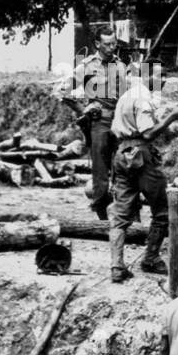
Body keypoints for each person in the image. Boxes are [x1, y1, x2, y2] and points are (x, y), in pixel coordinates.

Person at [107, 72, 178, 282]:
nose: (162, 83)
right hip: (140, 154)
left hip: (122, 153)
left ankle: (116, 266)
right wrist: (172, 117)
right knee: (162, 211)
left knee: (120, 214)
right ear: (149, 77)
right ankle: (150, 258)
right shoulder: (142, 98)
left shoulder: (127, 95)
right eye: (159, 78)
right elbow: (148, 133)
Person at [73, 27, 125, 219]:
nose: (112, 48)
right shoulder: (86, 66)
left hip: (120, 122)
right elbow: (63, 91)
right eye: (107, 44)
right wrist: (82, 110)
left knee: (123, 166)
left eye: (114, 43)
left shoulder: (120, 65)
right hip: (99, 122)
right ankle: (102, 216)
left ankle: (124, 212)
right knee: (101, 171)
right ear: (97, 44)